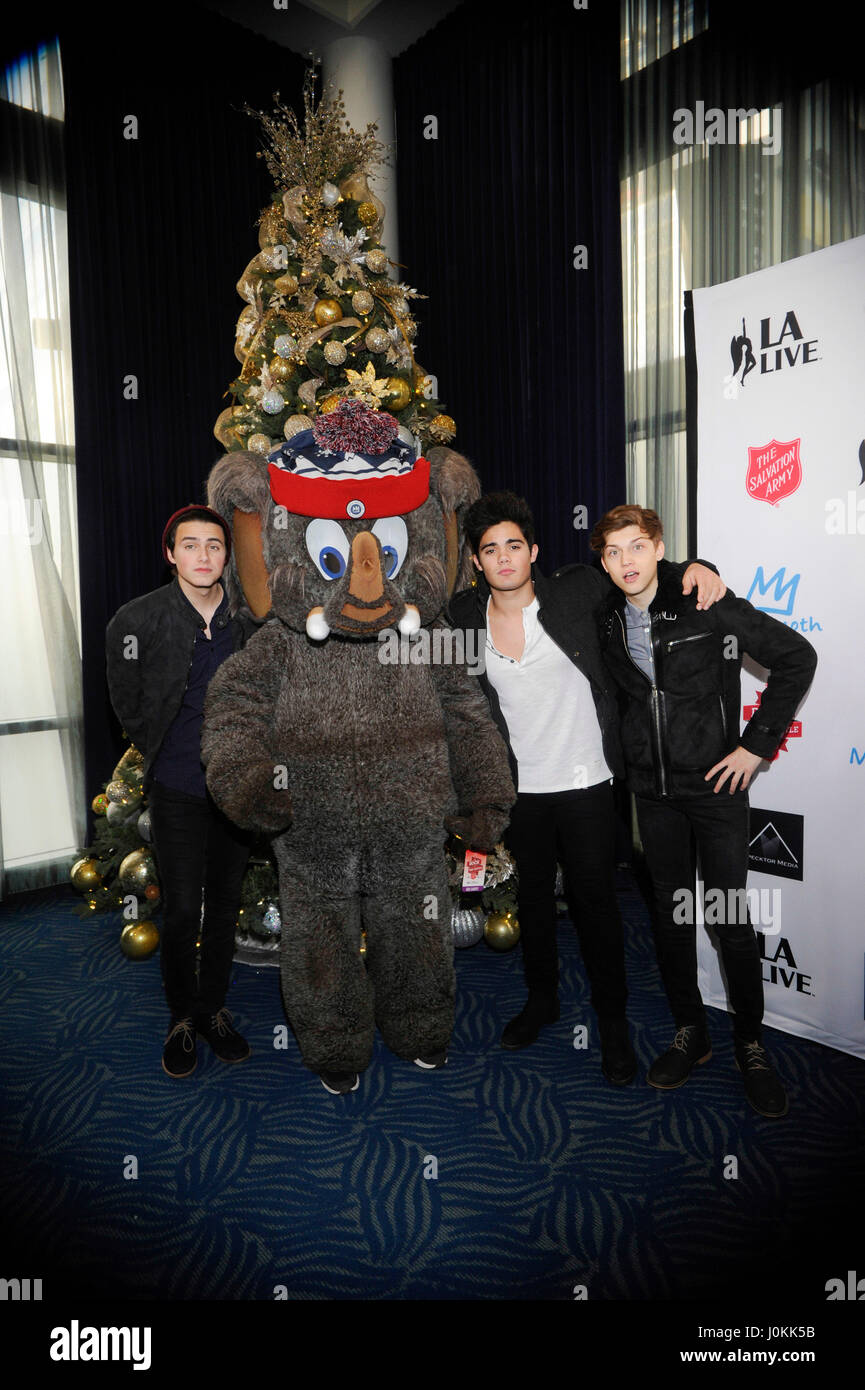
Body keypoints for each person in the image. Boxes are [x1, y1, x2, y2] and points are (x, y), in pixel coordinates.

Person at [447, 492, 724, 1084]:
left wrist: (697, 570)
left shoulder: (574, 591)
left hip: (586, 782)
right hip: (521, 789)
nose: (503, 558)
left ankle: (614, 1024)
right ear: (476, 561)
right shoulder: (464, 616)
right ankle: (542, 1000)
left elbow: (636, 573)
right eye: (490, 550)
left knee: (597, 907)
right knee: (534, 904)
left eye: (513, 546)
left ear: (533, 551)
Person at [590, 504, 817, 1117]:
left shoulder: (702, 598)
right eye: (612, 553)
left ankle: (750, 1044)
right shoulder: (606, 618)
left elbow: (796, 657)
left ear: (659, 546)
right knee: (668, 919)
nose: (625, 562)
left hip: (716, 791)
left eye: (636, 547)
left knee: (728, 922)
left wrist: (755, 745)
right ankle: (691, 1033)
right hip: (652, 795)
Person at [106, 505, 254, 1078]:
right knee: (181, 912)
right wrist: (159, 748)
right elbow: (126, 699)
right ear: (171, 554)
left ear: (225, 555)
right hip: (176, 789)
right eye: (190, 545)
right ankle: (182, 1017)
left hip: (235, 788)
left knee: (223, 908)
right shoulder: (136, 619)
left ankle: (214, 1009)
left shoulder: (248, 620)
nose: (203, 556)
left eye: (214, 546)